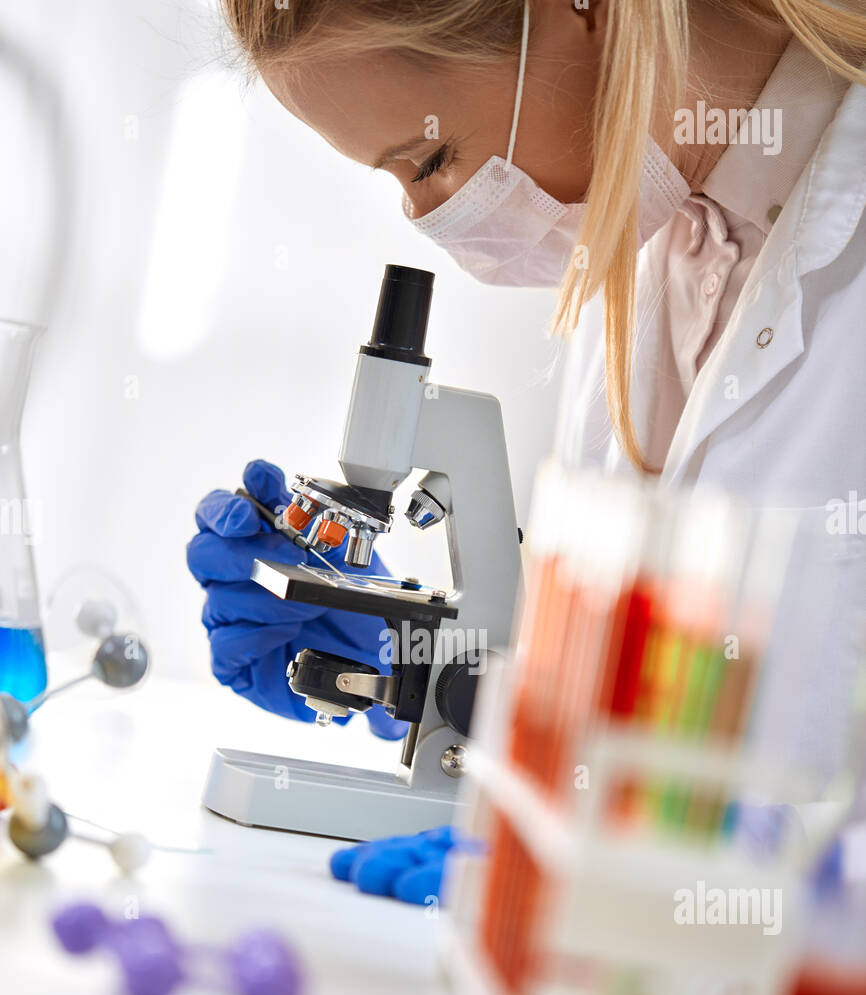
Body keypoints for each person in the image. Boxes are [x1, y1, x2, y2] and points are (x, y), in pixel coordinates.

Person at [188, 0, 866, 901]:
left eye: (429, 161)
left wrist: (702, 877)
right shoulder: (642, 252)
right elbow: (638, 713)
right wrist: (418, 670)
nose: (425, 213)